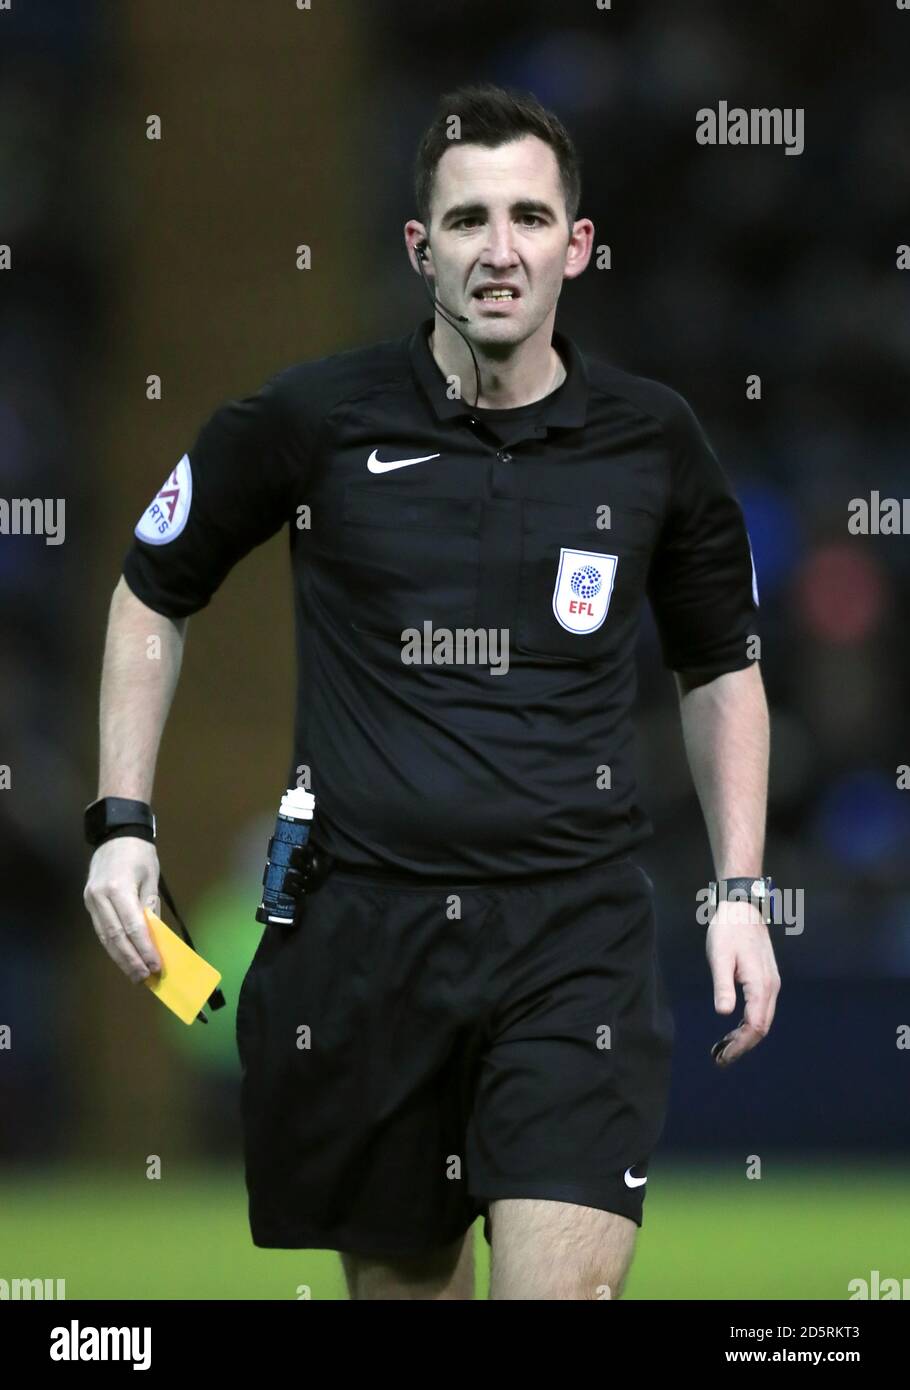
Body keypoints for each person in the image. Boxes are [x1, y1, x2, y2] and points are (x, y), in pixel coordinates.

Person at [83, 82, 778, 1300]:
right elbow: (151, 590)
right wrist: (122, 824)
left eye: (526, 216)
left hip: (575, 935)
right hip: (366, 949)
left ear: (578, 244)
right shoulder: (313, 421)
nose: (497, 250)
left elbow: (720, 665)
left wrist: (738, 887)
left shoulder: (653, 441)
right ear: (420, 249)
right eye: (466, 221)